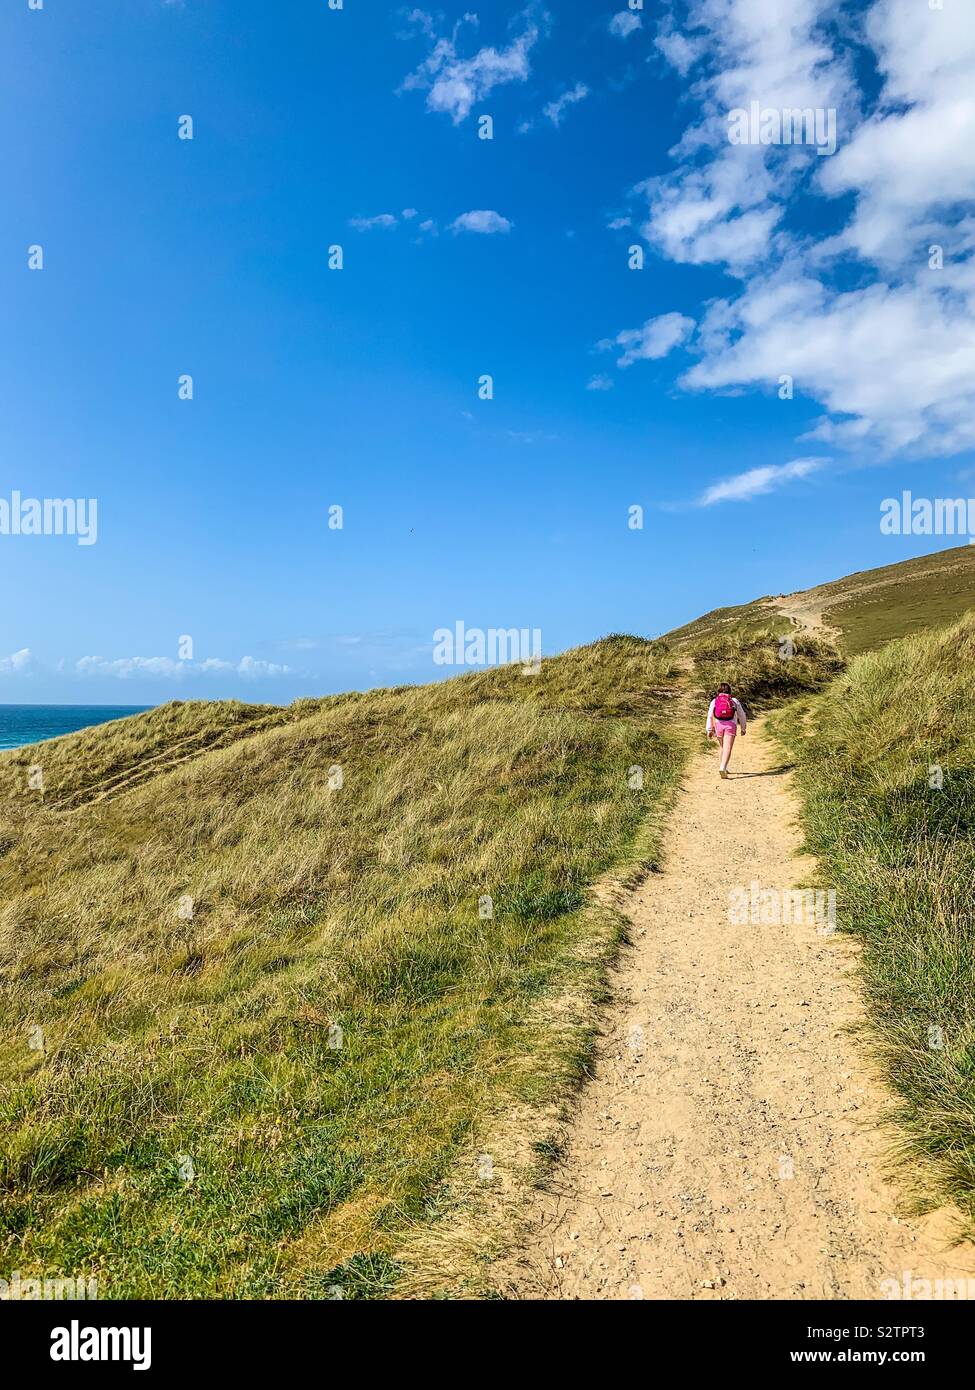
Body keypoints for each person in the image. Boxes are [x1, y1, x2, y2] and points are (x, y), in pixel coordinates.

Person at [705, 682, 746, 779]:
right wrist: (743, 727)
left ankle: (723, 767)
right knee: (728, 748)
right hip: (730, 725)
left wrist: (709, 729)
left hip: (718, 725)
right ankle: (723, 767)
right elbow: (742, 715)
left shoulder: (714, 701)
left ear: (718, 691)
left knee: (722, 746)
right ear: (729, 690)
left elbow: (710, 716)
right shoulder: (734, 700)